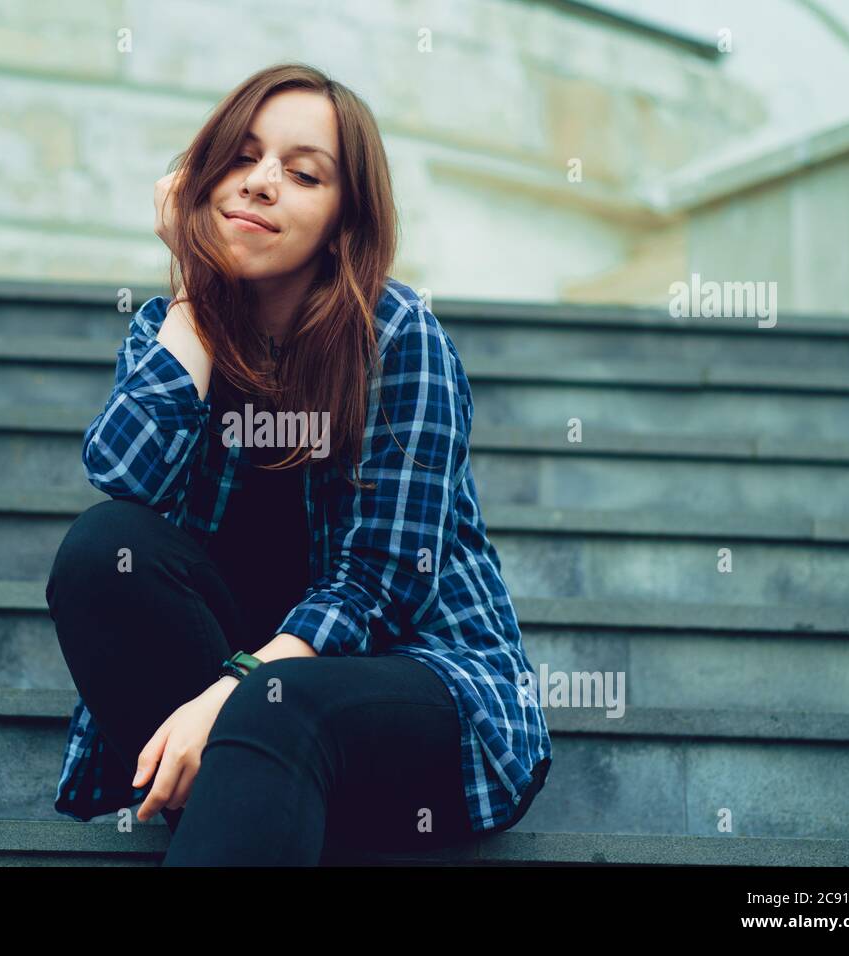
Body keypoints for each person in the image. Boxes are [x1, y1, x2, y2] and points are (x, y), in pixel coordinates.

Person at [46, 63, 551, 866]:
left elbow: (381, 584)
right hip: (253, 706)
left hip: (410, 686)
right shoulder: (172, 331)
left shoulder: (397, 336)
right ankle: (266, 814)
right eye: (240, 159)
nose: (261, 184)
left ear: (343, 218)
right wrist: (196, 294)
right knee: (102, 556)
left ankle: (258, 801)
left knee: (274, 706)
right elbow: (123, 475)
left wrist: (233, 689)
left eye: (304, 172)